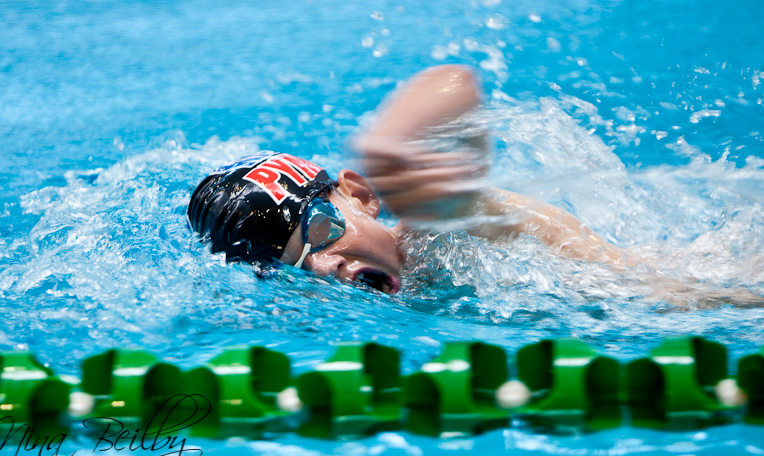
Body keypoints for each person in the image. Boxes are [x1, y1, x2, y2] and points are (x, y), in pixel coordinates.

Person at [187, 64, 631, 295]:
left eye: (321, 231)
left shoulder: (434, 229)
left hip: (672, 289)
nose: (324, 267)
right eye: (295, 269)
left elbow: (455, 83)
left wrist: (392, 146)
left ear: (361, 196)